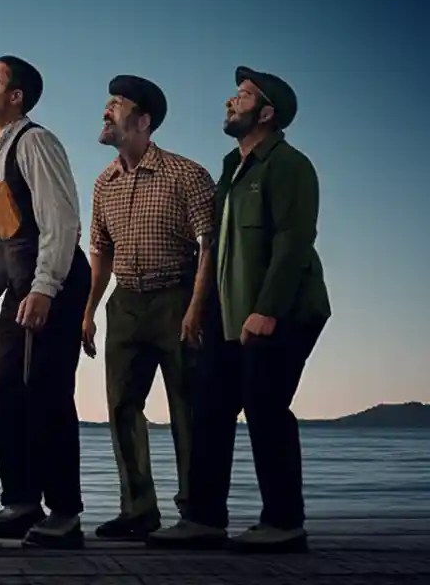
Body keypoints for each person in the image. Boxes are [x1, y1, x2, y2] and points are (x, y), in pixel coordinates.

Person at [148, 66, 330, 553]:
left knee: (267, 408)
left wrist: (267, 309)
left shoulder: (290, 165)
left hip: (284, 311)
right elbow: (220, 251)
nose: (231, 101)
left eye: (244, 96)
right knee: (210, 408)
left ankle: (285, 523)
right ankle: (205, 520)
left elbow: (294, 242)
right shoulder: (232, 168)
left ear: (266, 113)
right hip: (229, 316)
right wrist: (201, 312)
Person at [0, 55, 92, 549]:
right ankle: (20, 504)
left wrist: (44, 288)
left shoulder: (35, 143)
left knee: (46, 392)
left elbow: (62, 222)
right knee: (3, 390)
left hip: (54, 283)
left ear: (15, 97)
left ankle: (64, 514)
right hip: (20, 288)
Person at [81, 75, 216, 540]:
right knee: (121, 406)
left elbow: (210, 246)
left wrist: (197, 309)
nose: (105, 111)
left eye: (116, 105)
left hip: (176, 296)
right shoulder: (103, 183)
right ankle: (138, 510)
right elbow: (100, 251)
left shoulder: (187, 174)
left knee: (188, 407)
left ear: (142, 120)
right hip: (125, 302)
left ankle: (196, 513)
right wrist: (90, 310)